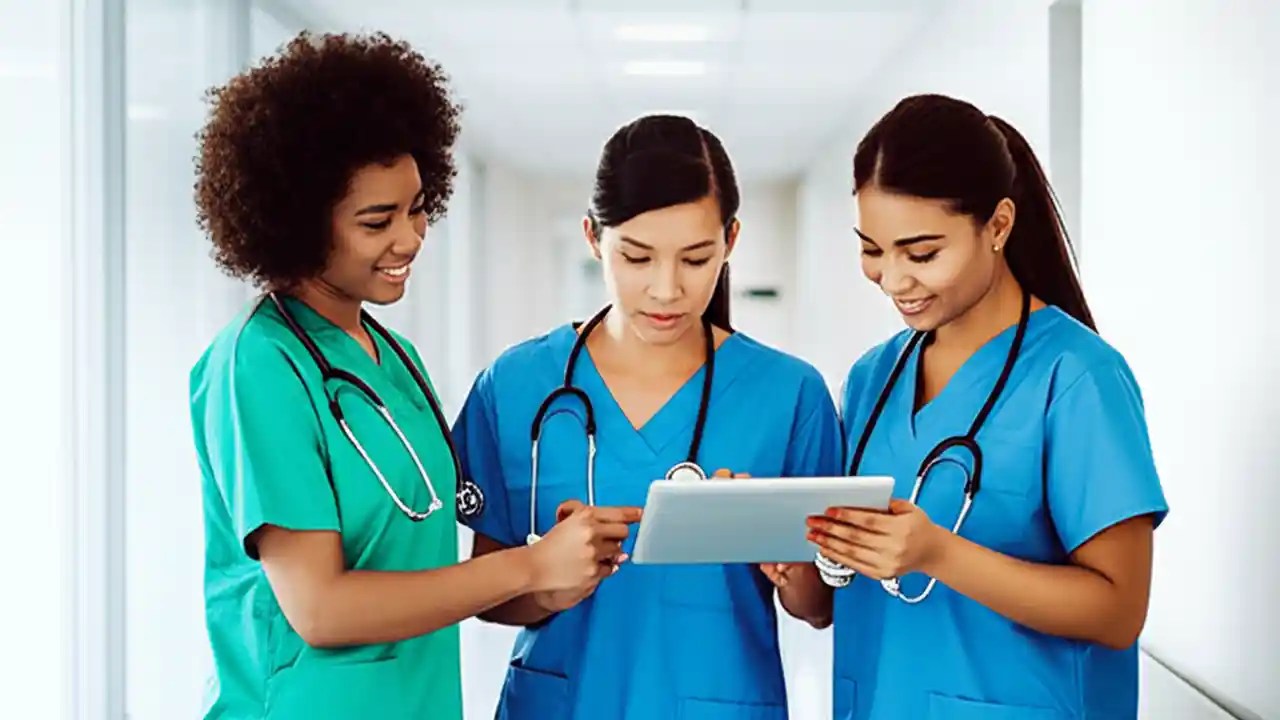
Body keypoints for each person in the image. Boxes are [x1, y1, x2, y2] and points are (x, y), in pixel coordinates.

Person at [187, 31, 638, 720]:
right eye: (377, 221)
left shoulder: (393, 358)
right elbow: (320, 609)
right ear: (301, 223)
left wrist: (554, 575)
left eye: (418, 207)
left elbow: (432, 564)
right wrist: (526, 566)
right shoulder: (258, 364)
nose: (411, 238)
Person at [785, 93, 1171, 719]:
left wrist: (937, 553)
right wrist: (796, 561)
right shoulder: (872, 378)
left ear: (998, 226)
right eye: (872, 249)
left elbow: (1119, 611)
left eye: (922, 253)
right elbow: (831, 603)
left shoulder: (1077, 377)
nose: (893, 279)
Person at [450, 114, 843, 720]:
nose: (667, 290)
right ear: (592, 238)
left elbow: (820, 607)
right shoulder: (517, 385)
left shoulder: (790, 395)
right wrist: (549, 585)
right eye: (636, 258)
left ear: (730, 242)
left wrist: (785, 560)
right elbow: (484, 591)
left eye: (695, 259)